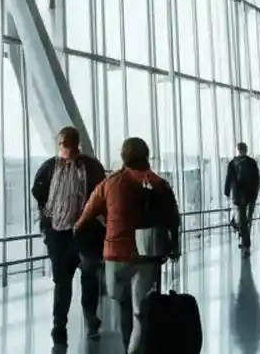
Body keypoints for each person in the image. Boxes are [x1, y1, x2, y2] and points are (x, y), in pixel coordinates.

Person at [74, 137, 180, 354]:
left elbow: (85, 217)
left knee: (123, 304)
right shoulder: (159, 183)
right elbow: (173, 218)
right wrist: (174, 245)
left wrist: (80, 237)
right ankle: (137, 348)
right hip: (148, 254)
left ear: (123, 157)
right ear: (147, 155)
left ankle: (127, 346)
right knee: (142, 309)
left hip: (115, 256)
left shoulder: (109, 184)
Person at [31, 126, 107, 345]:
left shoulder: (90, 167)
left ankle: (90, 318)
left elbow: (101, 194)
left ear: (76, 144)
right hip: (59, 234)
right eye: (64, 144)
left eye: (69, 144)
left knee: (89, 276)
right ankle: (59, 325)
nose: (67, 148)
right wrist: (48, 220)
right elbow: (38, 191)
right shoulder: (50, 167)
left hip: (86, 233)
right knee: (63, 282)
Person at [225, 142, 260, 257]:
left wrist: (227, 191)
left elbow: (256, 179)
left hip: (248, 195)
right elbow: (230, 177)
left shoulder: (246, 163)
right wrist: (227, 190)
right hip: (243, 195)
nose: (242, 151)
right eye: (241, 149)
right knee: (244, 220)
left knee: (246, 220)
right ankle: (246, 244)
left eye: (242, 149)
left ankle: (244, 242)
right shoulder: (237, 163)